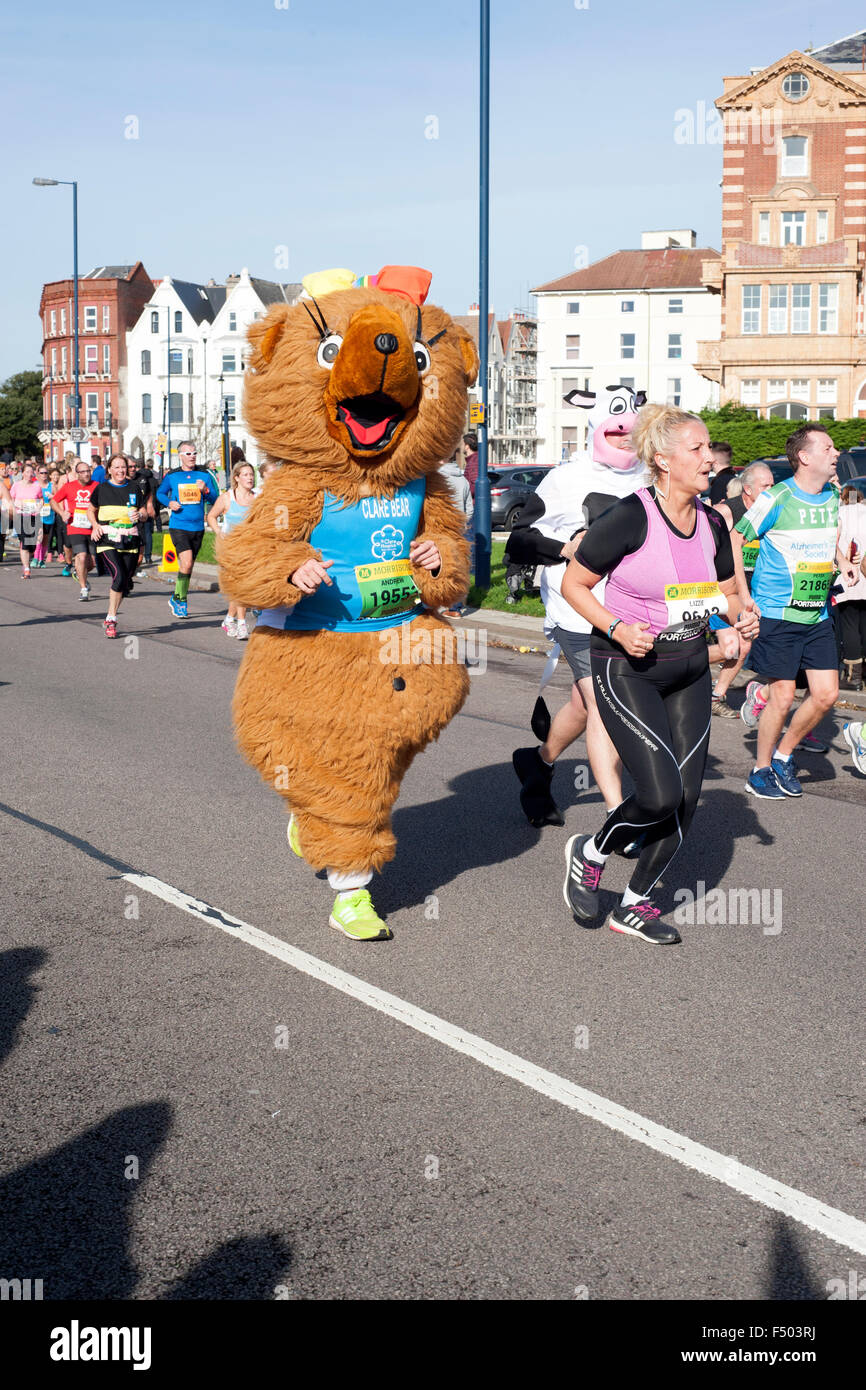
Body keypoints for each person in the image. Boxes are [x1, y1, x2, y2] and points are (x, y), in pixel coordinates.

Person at [560, 404, 759, 945]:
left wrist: (738, 618)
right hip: (628, 668)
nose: (709, 458)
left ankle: (634, 905)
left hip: (689, 668)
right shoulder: (629, 517)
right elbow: (573, 586)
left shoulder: (714, 522)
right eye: (696, 449)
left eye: (708, 447)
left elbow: (725, 592)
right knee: (659, 793)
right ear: (662, 460)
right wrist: (618, 627)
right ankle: (591, 852)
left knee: (686, 799)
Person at [506, 383, 649, 828]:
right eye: (617, 427)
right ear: (596, 426)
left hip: (634, 615)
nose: (626, 435)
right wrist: (566, 548)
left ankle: (540, 761)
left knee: (587, 705)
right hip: (576, 611)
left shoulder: (650, 476)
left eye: (633, 429)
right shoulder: (566, 478)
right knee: (606, 705)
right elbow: (519, 541)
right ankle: (616, 814)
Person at [732, 424, 858, 800]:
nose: (836, 453)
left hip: (817, 613)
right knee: (783, 696)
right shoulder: (777, 499)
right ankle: (760, 769)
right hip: (777, 612)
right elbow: (737, 539)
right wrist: (742, 595)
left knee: (825, 695)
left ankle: (785, 755)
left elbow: (826, 536)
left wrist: (841, 562)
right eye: (829, 447)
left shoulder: (833, 496)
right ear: (805, 457)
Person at [706, 461, 774, 715]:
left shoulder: (771, 513)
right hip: (721, 590)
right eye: (764, 485)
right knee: (735, 647)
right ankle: (677, 664)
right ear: (747, 489)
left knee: (738, 647)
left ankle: (714, 694)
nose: (771, 490)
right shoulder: (726, 512)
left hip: (750, 593)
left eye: (772, 484)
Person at [86, 453, 152, 638]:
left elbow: (144, 512)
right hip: (107, 539)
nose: (120, 470)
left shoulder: (134, 488)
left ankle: (110, 614)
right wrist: (95, 525)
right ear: (109, 470)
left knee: (124, 582)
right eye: (116, 467)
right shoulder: (102, 489)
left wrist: (140, 515)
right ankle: (112, 618)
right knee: (119, 576)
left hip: (130, 539)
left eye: (123, 467)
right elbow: (90, 510)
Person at [155, 440, 218, 619]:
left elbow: (215, 498)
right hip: (179, 526)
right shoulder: (173, 476)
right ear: (180, 456)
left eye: (194, 453)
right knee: (187, 562)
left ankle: (176, 597)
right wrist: (169, 503)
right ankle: (182, 601)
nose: (192, 456)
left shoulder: (204, 475)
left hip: (198, 526)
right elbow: (160, 493)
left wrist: (205, 490)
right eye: (188, 453)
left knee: (187, 566)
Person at [206, 460, 256, 638]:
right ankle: (242, 624)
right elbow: (211, 516)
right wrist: (219, 531)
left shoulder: (256, 499)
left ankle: (229, 618)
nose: (250, 478)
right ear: (237, 478)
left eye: (251, 474)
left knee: (241, 587)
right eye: (245, 475)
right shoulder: (228, 497)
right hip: (230, 549)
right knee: (240, 585)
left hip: (249, 549)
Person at [51, 458, 98, 599]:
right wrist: (62, 512)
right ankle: (84, 588)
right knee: (82, 556)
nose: (86, 474)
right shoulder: (69, 487)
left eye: (88, 471)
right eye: (83, 472)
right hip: (75, 527)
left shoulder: (97, 486)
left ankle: (79, 573)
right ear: (77, 474)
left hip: (93, 528)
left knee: (92, 563)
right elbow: (54, 500)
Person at [835, 485, 866, 690]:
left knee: (849, 625)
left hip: (848, 577)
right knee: (864, 626)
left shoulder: (839, 513)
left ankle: (853, 678)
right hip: (865, 575)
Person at [439, 449, 473, 617]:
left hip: (441, 530)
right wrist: (462, 524)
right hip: (459, 530)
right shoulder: (463, 480)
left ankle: (428, 602)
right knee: (456, 568)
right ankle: (455, 608)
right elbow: (470, 509)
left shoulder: (437, 479)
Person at [10, 461, 44, 578]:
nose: (30, 474)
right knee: (24, 543)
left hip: (33, 517)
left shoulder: (37, 486)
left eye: (31, 472)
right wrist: (17, 504)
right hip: (20, 516)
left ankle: (29, 557)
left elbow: (41, 499)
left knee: (33, 545)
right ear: (23, 473)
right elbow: (10, 500)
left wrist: (39, 506)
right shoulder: (16, 485)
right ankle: (26, 568)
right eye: (27, 472)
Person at [461, 432, 479, 499]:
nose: (461, 446)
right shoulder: (474, 459)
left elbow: (476, 486)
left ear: (467, 446)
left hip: (473, 504)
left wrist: (463, 493)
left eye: (462, 444)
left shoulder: (474, 462)